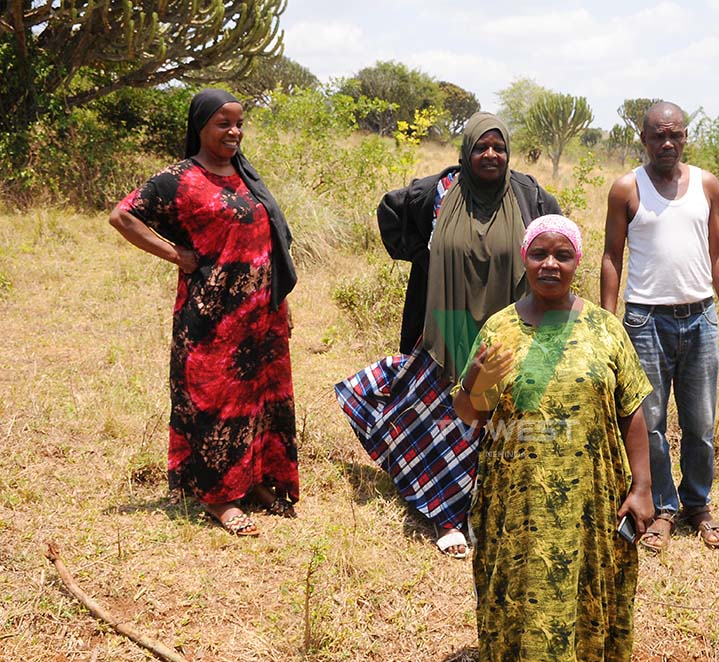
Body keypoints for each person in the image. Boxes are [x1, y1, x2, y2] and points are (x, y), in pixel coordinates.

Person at [334, 113, 560, 558]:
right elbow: (390, 214)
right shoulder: (437, 191)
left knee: (500, 420)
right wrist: (427, 258)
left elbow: (554, 240)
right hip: (448, 322)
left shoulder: (528, 193)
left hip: (509, 325)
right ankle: (444, 514)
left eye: (498, 147)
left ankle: (492, 508)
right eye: (481, 147)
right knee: (448, 418)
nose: (490, 155)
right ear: (466, 151)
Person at [452, 215, 654, 662]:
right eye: (539, 253)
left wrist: (642, 487)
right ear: (524, 258)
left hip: (592, 496)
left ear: (577, 262)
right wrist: (474, 384)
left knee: (587, 589)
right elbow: (471, 415)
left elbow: (633, 410)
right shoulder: (499, 328)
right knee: (518, 592)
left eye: (562, 255)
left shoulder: (605, 329)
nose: (550, 264)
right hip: (516, 497)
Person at [109, 88, 299, 537]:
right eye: (223, 123)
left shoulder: (245, 175)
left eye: (238, 123)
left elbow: (270, 246)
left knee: (258, 401)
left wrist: (282, 304)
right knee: (218, 404)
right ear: (200, 126)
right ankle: (219, 499)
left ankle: (253, 481)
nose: (234, 132)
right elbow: (123, 217)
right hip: (212, 316)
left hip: (260, 311)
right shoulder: (179, 178)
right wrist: (176, 253)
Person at [600, 101, 719, 551]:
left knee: (700, 423)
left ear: (685, 137)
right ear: (643, 139)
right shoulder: (627, 189)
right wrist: (607, 323)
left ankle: (697, 504)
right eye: (658, 135)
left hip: (699, 317)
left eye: (675, 135)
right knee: (652, 421)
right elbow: (611, 256)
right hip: (644, 320)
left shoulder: (706, 185)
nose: (667, 143)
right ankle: (662, 507)